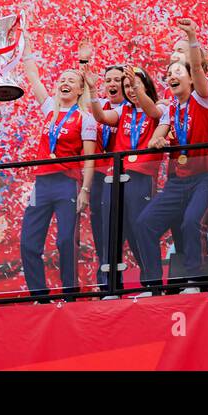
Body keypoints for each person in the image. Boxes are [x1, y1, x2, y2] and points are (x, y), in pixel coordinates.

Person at [139, 19, 208, 292]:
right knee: (145, 224)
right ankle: (152, 284)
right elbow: (158, 130)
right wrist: (158, 138)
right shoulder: (173, 107)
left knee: (191, 222)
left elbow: (197, 67)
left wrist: (193, 36)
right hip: (177, 182)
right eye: (169, 73)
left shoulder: (204, 97)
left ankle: (196, 280)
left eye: (178, 72)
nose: (171, 76)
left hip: (205, 177)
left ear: (191, 77)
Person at [19, 37, 98, 298]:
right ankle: (39, 296)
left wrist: (85, 189)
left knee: (65, 241)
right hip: (42, 183)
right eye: (61, 79)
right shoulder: (49, 110)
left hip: (67, 183)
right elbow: (33, 75)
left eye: (71, 81)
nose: (64, 82)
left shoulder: (85, 118)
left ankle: (69, 292)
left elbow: (89, 158)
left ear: (79, 90)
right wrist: (27, 42)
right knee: (29, 242)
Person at [85, 64, 163, 289]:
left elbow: (151, 110)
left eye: (134, 85)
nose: (130, 90)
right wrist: (92, 91)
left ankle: (152, 284)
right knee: (111, 230)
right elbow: (101, 116)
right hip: (115, 177)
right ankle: (110, 286)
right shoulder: (123, 111)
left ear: (145, 86)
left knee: (139, 227)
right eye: (127, 86)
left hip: (140, 178)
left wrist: (138, 89)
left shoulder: (158, 108)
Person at [79, 52, 124, 286]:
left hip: (120, 176)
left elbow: (102, 117)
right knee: (99, 227)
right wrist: (83, 63)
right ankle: (104, 277)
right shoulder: (96, 105)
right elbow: (80, 92)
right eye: (108, 80)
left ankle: (115, 279)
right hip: (97, 175)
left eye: (117, 80)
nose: (112, 84)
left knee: (116, 227)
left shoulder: (131, 107)